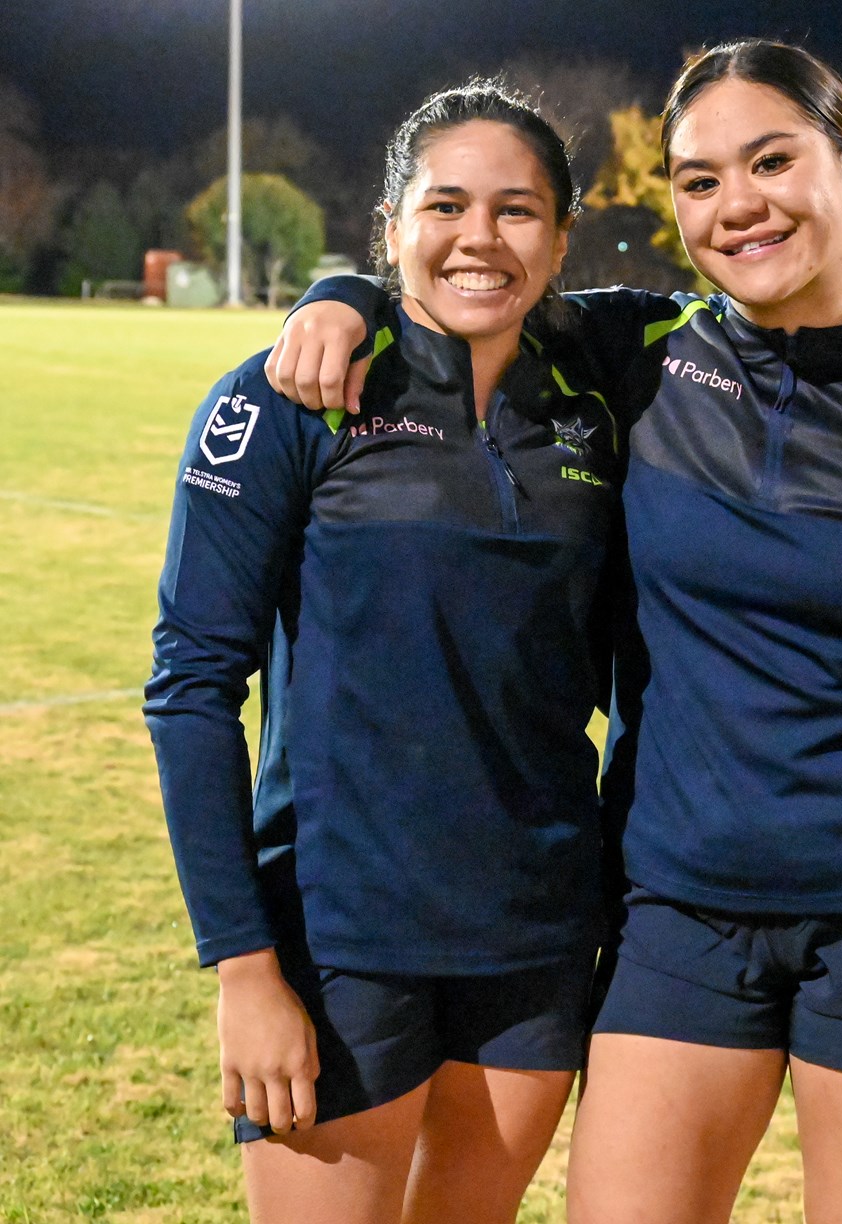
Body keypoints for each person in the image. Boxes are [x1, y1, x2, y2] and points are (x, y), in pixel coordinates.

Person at [269, 40, 842, 1224]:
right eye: (700, 180)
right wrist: (338, 294)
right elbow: (468, 281)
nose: (737, 203)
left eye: (771, 162)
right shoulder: (637, 351)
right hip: (677, 916)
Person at [144, 82, 625, 1224]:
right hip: (340, 938)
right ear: (392, 224)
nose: (479, 237)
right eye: (445, 205)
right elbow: (192, 688)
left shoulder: (602, 399)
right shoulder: (291, 400)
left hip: (537, 940)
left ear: (562, 237)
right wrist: (244, 968)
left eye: (517, 210)